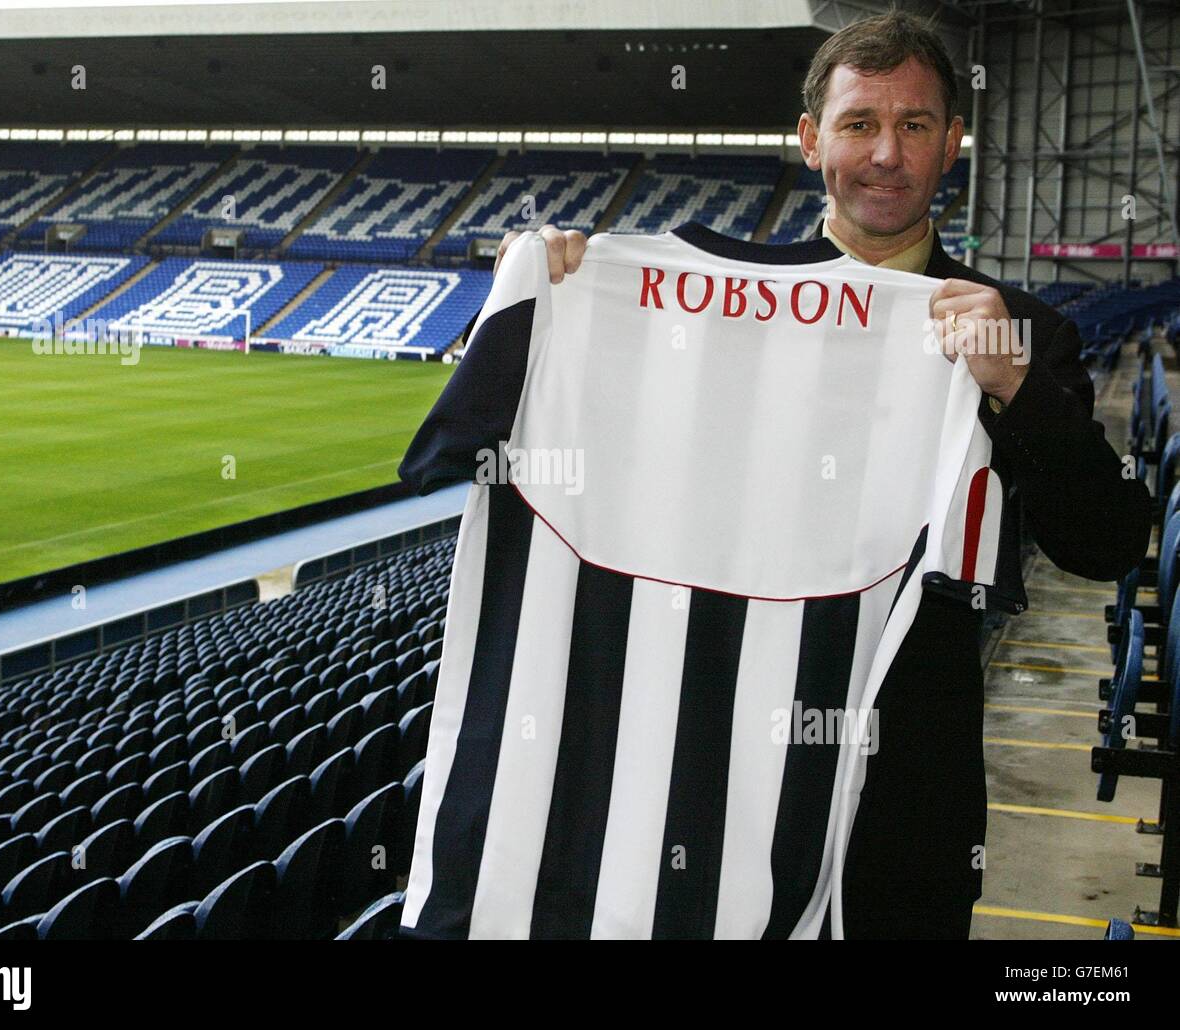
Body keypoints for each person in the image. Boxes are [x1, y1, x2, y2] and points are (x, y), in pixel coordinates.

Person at [457, 11, 1152, 938]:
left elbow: (1105, 542)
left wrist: (1013, 383)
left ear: (953, 143)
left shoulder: (1020, 329)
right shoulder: (695, 312)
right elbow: (508, 456)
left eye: (915, 126)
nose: (886, 154)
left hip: (904, 799)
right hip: (714, 772)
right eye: (860, 123)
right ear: (810, 139)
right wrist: (539, 315)